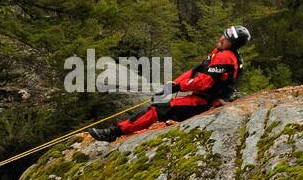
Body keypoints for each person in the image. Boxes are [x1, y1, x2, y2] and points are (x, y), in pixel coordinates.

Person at [90, 26, 250, 142]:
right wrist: (173, 84)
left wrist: (177, 87)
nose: (222, 38)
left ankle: (114, 132)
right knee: (161, 106)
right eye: (223, 35)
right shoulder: (219, 53)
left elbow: (204, 83)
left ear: (233, 44)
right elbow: (195, 72)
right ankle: (117, 130)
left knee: (160, 108)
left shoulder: (226, 57)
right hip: (201, 98)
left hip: (207, 102)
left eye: (226, 39)